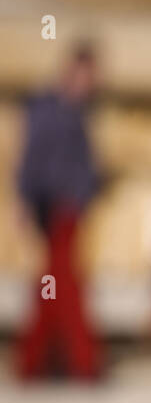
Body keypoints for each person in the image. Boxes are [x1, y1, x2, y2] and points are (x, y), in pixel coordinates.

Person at [15, 43, 104, 380]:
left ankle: (41, 362)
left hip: (70, 209)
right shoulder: (49, 109)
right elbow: (32, 158)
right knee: (61, 287)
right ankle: (78, 363)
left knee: (54, 286)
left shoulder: (79, 111)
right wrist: (23, 201)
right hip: (55, 209)